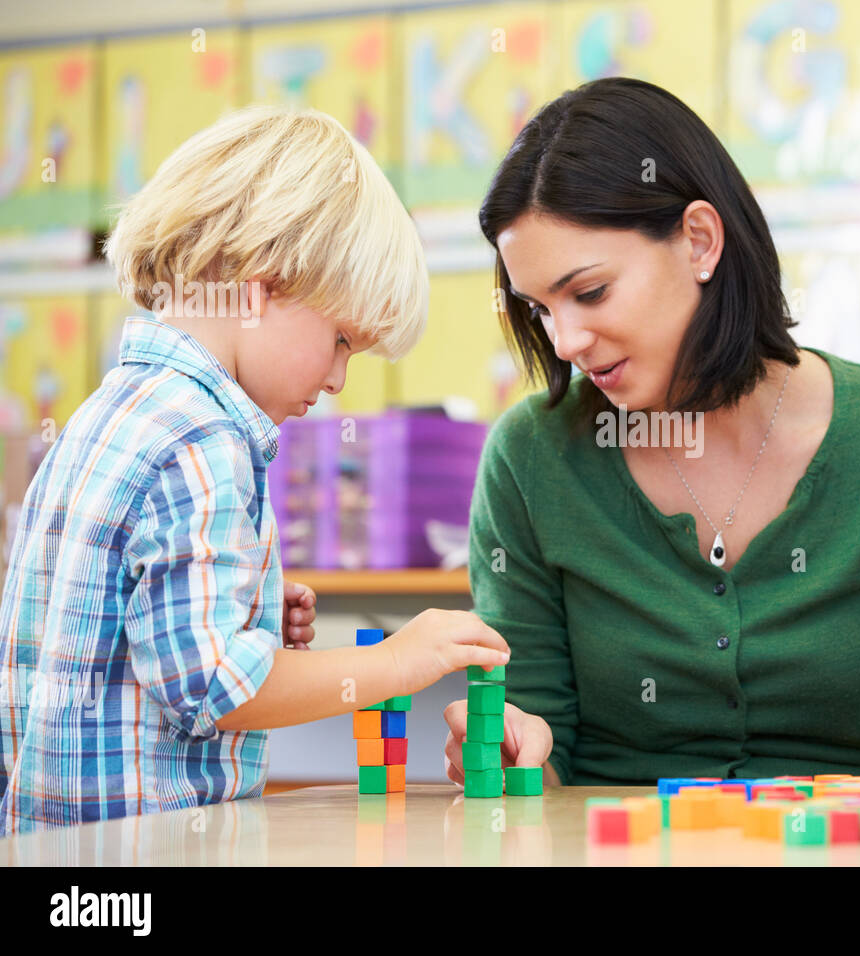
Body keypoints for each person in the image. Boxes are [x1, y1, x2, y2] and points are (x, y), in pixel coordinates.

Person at [443, 77, 860, 787]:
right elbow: (541, 742)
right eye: (539, 309)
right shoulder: (532, 459)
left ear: (699, 241)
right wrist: (510, 757)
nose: (564, 341)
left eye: (589, 292)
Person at [0, 105, 508, 834]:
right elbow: (212, 687)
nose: (338, 379)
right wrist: (397, 661)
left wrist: (249, 606)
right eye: (340, 341)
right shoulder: (201, 439)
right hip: (140, 857)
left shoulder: (111, 411)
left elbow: (133, 628)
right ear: (259, 283)